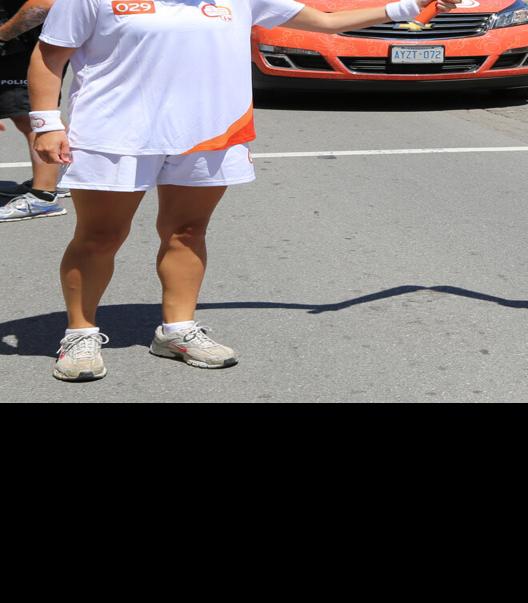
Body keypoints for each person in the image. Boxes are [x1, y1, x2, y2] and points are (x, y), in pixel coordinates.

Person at [30, 0, 454, 382]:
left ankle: (177, 330)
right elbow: (50, 54)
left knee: (188, 232)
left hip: (211, 134)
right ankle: (80, 334)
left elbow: (326, 21)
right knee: (101, 235)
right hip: (114, 135)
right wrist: (46, 123)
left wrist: (410, 6)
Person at [0, 0, 67, 222]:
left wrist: (3, 34)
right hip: (16, 40)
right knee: (20, 113)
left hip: (23, 41)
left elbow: (46, 3)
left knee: (27, 113)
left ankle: (44, 195)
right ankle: (60, 178)